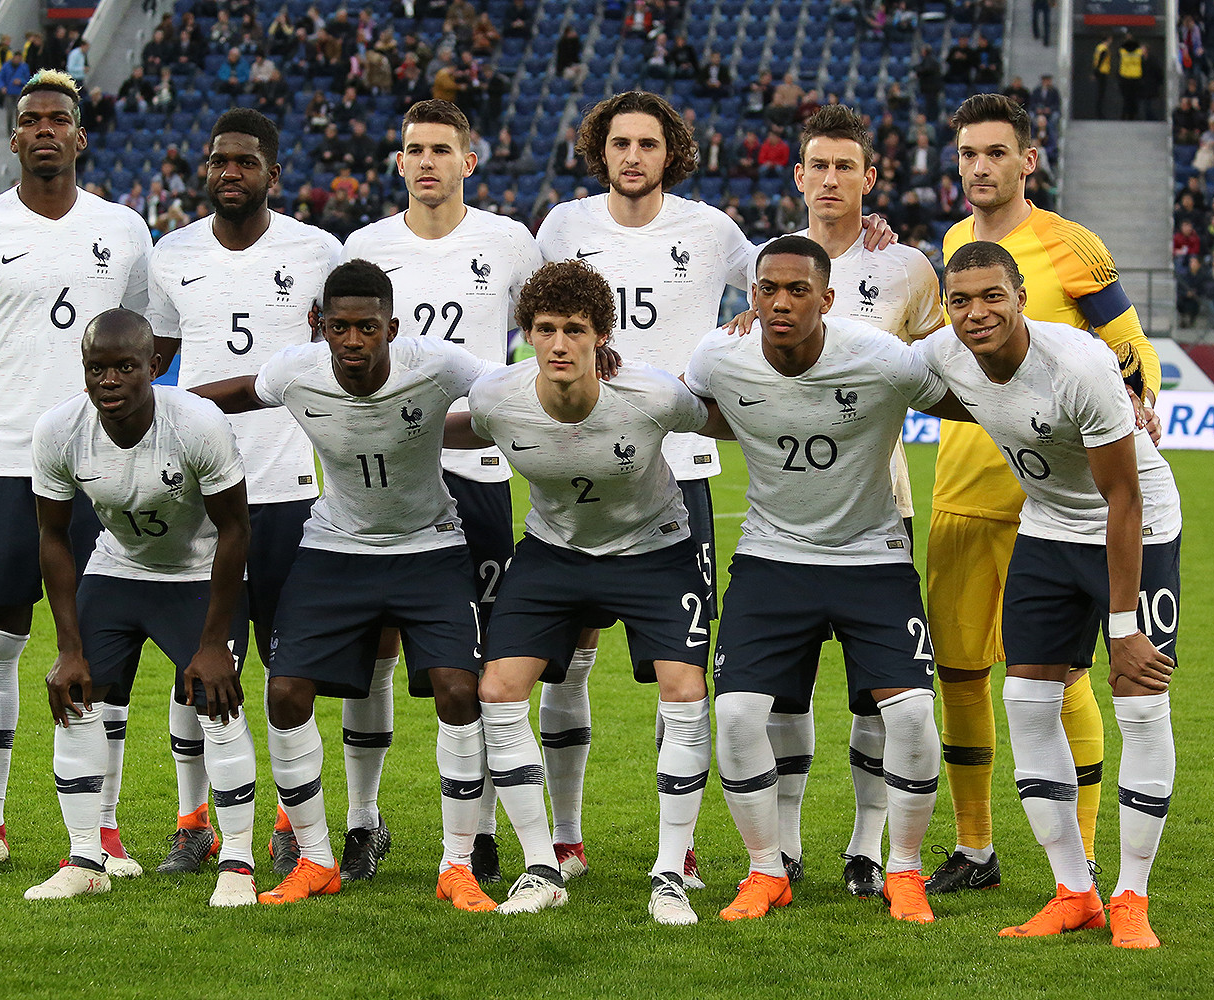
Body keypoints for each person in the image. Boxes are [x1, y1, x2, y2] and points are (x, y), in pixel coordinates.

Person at [535, 90, 893, 887]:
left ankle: (683, 847)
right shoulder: (563, 227)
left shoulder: (713, 230)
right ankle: (564, 839)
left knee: (683, 669)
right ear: (601, 150)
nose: (633, 156)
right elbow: (536, 317)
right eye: (620, 143)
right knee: (569, 659)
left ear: (672, 154)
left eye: (649, 144)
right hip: (579, 461)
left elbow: (790, 275)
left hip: (682, 468)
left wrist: (865, 236)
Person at [192, 260, 500, 913]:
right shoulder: (295, 371)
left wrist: (594, 366)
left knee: (457, 689)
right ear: (320, 327)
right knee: (285, 690)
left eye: (367, 327)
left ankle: (457, 866)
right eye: (340, 327)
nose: (353, 341)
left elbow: (509, 387)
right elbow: (244, 391)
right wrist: (160, 403)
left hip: (430, 547)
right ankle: (315, 860)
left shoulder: (439, 364)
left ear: (392, 327)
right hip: (335, 548)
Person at [0, 70, 153, 879]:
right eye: (31, 120)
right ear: (14, 138)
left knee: (100, 645)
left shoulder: (123, 229)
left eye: (59, 119)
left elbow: (148, 345)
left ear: (81, 137)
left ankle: (105, 829)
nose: (45, 129)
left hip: (105, 469)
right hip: (5, 463)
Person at [689, 235, 964, 923]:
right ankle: (765, 870)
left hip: (872, 557)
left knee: (911, 714)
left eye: (798, 290)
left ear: (828, 299)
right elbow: (687, 407)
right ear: (751, 297)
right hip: (771, 558)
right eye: (768, 289)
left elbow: (963, 402)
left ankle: (902, 868)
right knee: (735, 714)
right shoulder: (718, 355)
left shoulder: (878, 356)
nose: (781, 301)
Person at [926, 94, 1160, 897]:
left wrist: (1139, 398)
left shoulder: (1069, 245)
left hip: (1054, 504)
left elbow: (1129, 348)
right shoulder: (954, 245)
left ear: (1029, 159)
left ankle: (1082, 856)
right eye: (967, 154)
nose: (980, 167)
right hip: (961, 487)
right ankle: (976, 847)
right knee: (957, 674)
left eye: (996, 152)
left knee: (1061, 683)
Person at [918, 241, 1181, 948]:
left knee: (1141, 699)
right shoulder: (944, 355)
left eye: (992, 296)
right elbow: (867, 364)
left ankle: (1131, 896)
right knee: (1026, 701)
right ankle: (1076, 892)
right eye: (962, 299)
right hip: (1048, 527)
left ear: (1022, 297)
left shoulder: (1080, 365)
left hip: (1138, 527)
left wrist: (1123, 625)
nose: (977, 313)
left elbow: (1122, 497)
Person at [452, 259, 711, 924]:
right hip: (553, 553)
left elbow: (728, 424)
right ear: (527, 334)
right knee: (498, 690)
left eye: (575, 329)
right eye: (545, 329)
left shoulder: (652, 395)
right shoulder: (494, 398)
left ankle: (669, 873)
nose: (560, 344)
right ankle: (542, 866)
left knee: (685, 691)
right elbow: (452, 430)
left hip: (656, 551)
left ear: (601, 335)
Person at [339, 99, 543, 886]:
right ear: (399, 162)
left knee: (481, 663)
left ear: (469, 160)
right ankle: (364, 821)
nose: (427, 162)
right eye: (414, 149)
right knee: (374, 651)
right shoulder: (366, 247)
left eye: (441, 149)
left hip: (478, 476)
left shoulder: (508, 242)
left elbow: (542, 333)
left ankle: (483, 828)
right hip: (384, 477)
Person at [749, 105, 945, 897]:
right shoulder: (765, 265)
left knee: (879, 695)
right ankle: (787, 845)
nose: (831, 180)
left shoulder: (907, 269)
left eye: (846, 167)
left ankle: (867, 847)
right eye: (817, 166)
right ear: (798, 176)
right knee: (782, 695)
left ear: (871, 178)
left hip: (878, 509)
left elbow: (944, 360)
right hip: (786, 518)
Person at [146, 108, 343, 879]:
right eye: (219, 161)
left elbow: (348, 353)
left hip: (290, 491)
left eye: (246, 162)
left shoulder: (318, 251)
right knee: (194, 666)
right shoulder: (172, 254)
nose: (231, 172)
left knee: (288, 670)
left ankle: (295, 824)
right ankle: (193, 822)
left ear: (273, 174)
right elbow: (155, 357)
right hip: (195, 496)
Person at [25, 309, 256, 905]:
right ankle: (84, 860)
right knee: (76, 696)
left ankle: (237, 863)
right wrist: (68, 649)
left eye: (125, 366)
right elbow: (52, 537)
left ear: (154, 366)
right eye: (96, 368)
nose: (109, 380)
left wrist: (213, 644)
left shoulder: (197, 423)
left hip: (198, 570)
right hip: (119, 569)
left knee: (217, 702)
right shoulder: (59, 429)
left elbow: (236, 528)